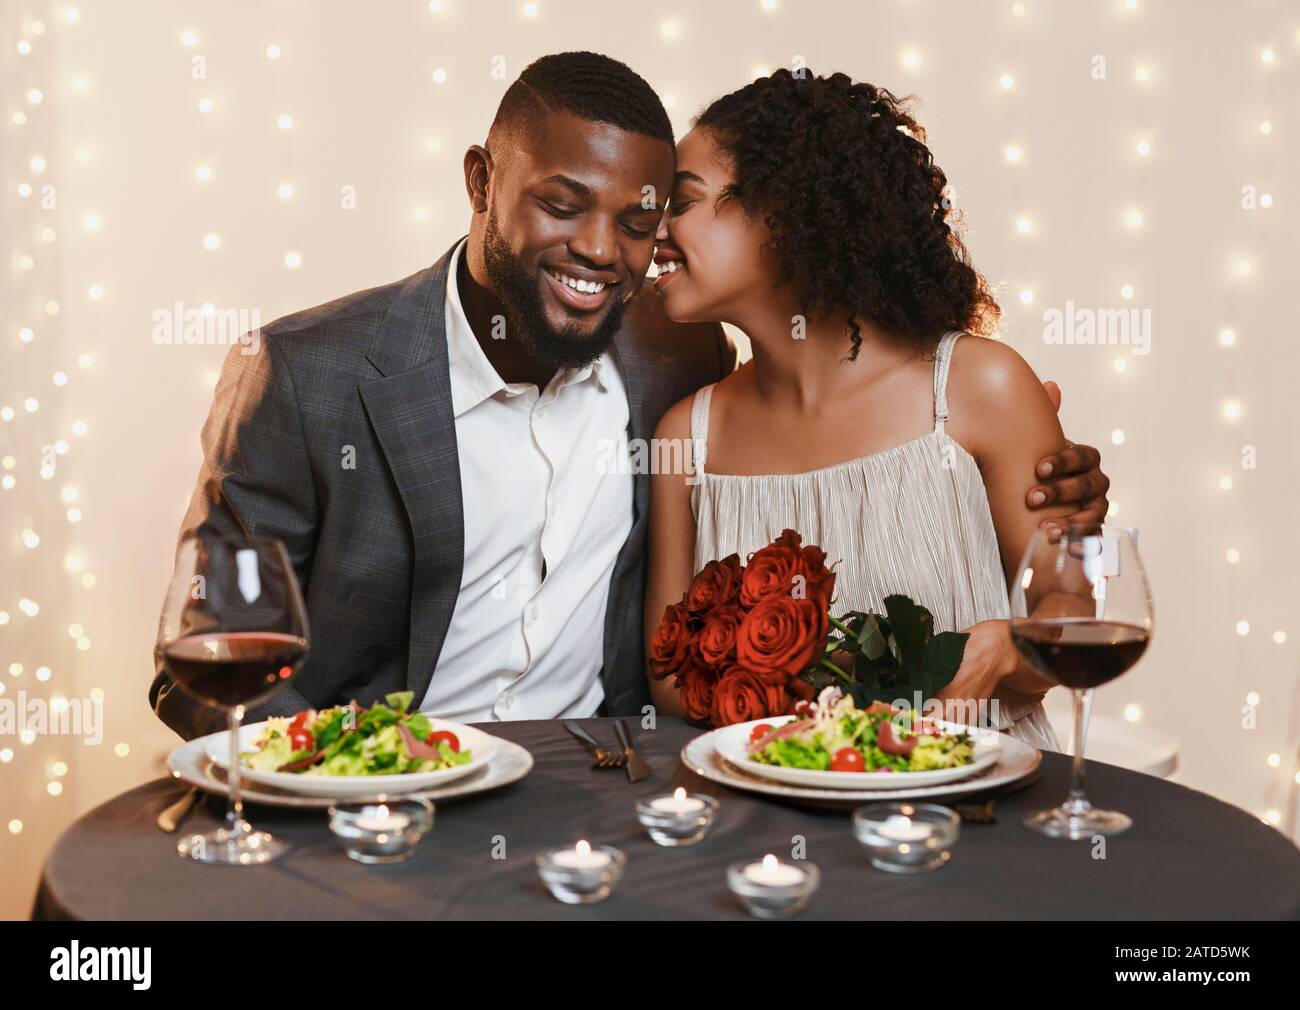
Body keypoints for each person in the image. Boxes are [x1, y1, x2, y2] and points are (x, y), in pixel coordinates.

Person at [151, 53, 1105, 742]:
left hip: (640, 806)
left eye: (651, 213)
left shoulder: (677, 363)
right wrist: (344, 777)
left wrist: (1049, 551)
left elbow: (1065, 592)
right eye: (564, 204)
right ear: (481, 183)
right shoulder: (311, 372)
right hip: (380, 811)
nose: (608, 250)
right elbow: (206, 654)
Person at [646, 70, 1111, 749]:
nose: (657, 228)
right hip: (773, 813)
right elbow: (667, 676)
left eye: (683, 202)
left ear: (785, 214)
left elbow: (1071, 610)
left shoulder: (980, 390)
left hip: (978, 809)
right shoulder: (686, 436)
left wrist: (1005, 650)